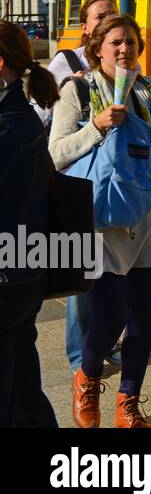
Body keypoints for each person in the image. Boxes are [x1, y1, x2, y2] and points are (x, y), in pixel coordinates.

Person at [48, 14, 151, 429]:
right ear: (98, 47)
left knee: (142, 316)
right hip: (99, 220)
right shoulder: (78, 91)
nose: (125, 50)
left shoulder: (148, 89)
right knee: (111, 316)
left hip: (146, 213)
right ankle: (87, 376)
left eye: (132, 43)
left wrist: (140, 150)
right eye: (116, 42)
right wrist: (97, 129)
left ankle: (128, 403)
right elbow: (56, 153)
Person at [40, 0, 121, 375]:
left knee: (113, 274)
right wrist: (65, 95)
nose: (110, 19)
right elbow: (37, 109)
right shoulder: (66, 64)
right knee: (81, 273)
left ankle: (102, 344)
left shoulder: (119, 65)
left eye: (114, 14)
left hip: (110, 186)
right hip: (73, 182)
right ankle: (80, 357)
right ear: (86, 26)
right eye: (102, 16)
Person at [0, 21, 60, 428]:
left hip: (8, 273)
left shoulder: (9, 126)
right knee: (23, 376)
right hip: (24, 269)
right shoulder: (22, 119)